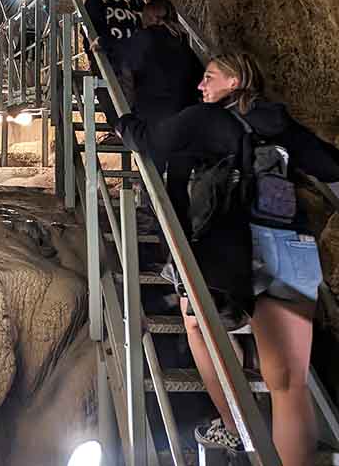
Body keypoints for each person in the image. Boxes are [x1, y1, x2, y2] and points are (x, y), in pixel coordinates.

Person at [117, 52, 339, 466]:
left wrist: (123, 121)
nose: (201, 86)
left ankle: (235, 424)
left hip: (233, 249)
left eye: (208, 77)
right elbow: (328, 164)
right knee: (288, 384)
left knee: (196, 321)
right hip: (292, 244)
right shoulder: (279, 122)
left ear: (235, 82)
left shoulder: (205, 120)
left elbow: (150, 141)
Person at [121, 0, 204, 236]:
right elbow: (198, 76)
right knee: (178, 187)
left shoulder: (143, 38)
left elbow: (127, 70)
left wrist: (127, 111)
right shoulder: (182, 41)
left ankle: (155, 238)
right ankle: (181, 248)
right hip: (186, 119)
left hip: (153, 119)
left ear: (146, 16)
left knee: (152, 179)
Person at [83, 0, 144, 126]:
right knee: (137, 93)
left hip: (110, 53)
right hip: (138, 54)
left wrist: (91, 51)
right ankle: (138, 128)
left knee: (108, 90)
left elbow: (89, 25)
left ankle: (119, 128)